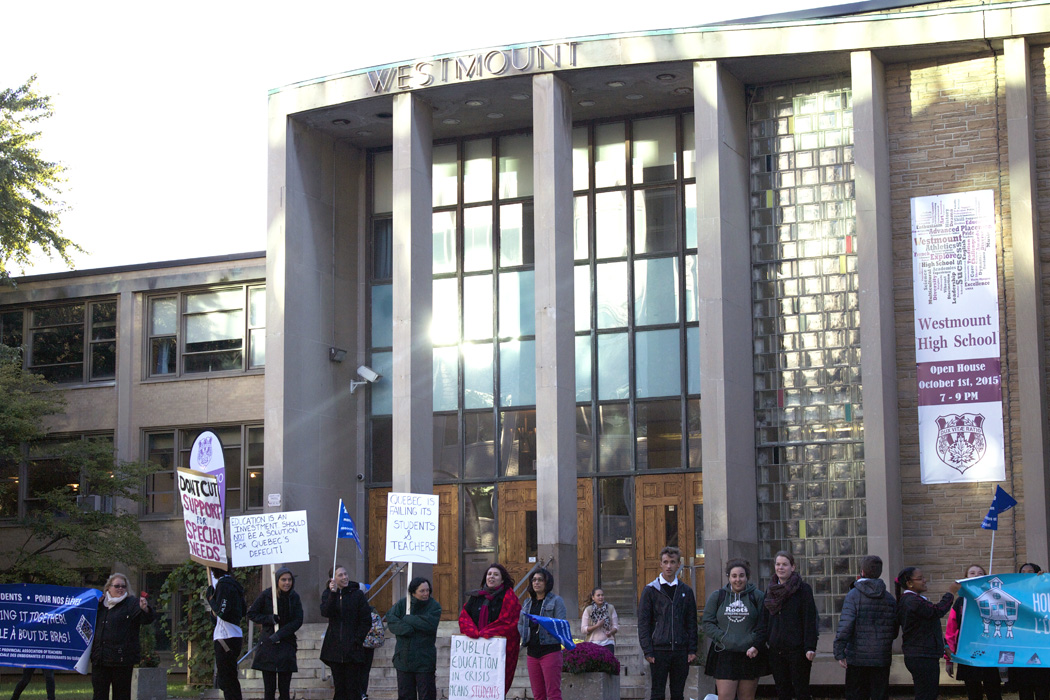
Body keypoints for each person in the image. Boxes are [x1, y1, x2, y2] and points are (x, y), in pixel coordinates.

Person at [833, 554, 899, 700]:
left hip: (857, 657)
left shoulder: (854, 595)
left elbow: (846, 625)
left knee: (856, 694)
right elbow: (894, 631)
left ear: (862, 571)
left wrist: (839, 651)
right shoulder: (889, 598)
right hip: (881, 658)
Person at [701, 558, 766, 700]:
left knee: (747, 697)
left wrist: (751, 640)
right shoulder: (718, 596)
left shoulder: (758, 596)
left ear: (747, 577)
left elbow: (764, 624)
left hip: (750, 653)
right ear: (728, 577)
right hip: (724, 653)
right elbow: (707, 623)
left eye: (741, 576)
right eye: (734, 576)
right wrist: (724, 638)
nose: (738, 580)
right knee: (724, 696)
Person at [639, 546, 698, 700]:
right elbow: (644, 623)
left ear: (678, 564)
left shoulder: (686, 591)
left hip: (680, 650)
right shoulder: (650, 591)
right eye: (665, 562)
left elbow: (691, 621)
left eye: (672, 562)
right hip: (659, 649)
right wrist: (647, 650)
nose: (669, 566)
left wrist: (692, 649)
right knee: (657, 692)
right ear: (660, 564)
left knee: (678, 693)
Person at [895, 566, 959, 700]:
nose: (924, 581)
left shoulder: (915, 600)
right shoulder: (911, 601)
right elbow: (936, 611)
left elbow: (931, 625)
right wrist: (950, 593)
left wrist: (945, 646)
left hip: (924, 654)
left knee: (928, 693)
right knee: (926, 694)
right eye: (920, 578)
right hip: (921, 655)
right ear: (909, 583)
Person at [459, 563, 522, 695]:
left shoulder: (509, 598)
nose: (491, 577)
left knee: (495, 688)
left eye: (495, 574)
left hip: (498, 652)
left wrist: (487, 632)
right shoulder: (476, 597)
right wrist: (474, 632)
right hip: (477, 652)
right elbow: (464, 617)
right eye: (489, 574)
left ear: (502, 579)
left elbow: (510, 623)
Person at [91, 573, 156, 700]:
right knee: (99, 694)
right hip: (100, 659)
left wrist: (145, 609)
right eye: (117, 586)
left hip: (122, 660)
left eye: (123, 586)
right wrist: (96, 605)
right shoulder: (100, 605)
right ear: (108, 588)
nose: (120, 589)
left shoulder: (131, 603)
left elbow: (146, 619)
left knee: (121, 695)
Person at [765, 551, 819, 700]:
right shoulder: (770, 590)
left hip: (798, 651)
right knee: (783, 691)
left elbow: (810, 619)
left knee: (801, 691)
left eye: (784, 564)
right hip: (776, 651)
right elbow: (765, 620)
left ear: (793, 567)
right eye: (777, 564)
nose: (780, 568)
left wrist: (810, 647)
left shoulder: (803, 589)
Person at [945, 564, 1001, 700]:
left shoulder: (995, 599)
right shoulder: (960, 602)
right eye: (972, 573)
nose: (976, 575)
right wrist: (949, 659)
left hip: (989, 653)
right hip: (967, 653)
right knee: (973, 692)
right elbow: (951, 630)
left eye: (980, 573)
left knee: (994, 691)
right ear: (966, 578)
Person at [248, 566, 304, 700]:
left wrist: (280, 634)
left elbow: (298, 620)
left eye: (289, 580)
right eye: (283, 580)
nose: (287, 583)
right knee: (269, 689)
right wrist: (269, 619)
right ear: (277, 580)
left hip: (286, 644)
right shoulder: (267, 595)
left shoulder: (294, 597)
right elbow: (252, 613)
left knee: (284, 689)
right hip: (268, 645)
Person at [319, 564, 371, 700]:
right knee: (340, 688)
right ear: (333, 579)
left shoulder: (357, 594)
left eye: (345, 574)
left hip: (352, 650)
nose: (345, 577)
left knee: (353, 688)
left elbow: (366, 620)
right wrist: (333, 594)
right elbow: (326, 612)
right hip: (334, 650)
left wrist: (357, 641)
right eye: (340, 575)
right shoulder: (328, 594)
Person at [385, 577, 441, 700]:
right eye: (422, 591)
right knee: (405, 695)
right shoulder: (403, 604)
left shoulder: (434, 606)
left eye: (427, 590)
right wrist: (407, 629)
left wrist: (408, 619)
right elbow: (391, 619)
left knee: (427, 695)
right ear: (413, 592)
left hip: (425, 660)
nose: (426, 593)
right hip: (404, 659)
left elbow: (429, 624)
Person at [517, 568, 569, 700]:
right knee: (538, 695)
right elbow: (521, 624)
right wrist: (524, 638)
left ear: (547, 583)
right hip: (532, 653)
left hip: (550, 651)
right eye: (534, 580)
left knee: (553, 693)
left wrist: (544, 622)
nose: (536, 583)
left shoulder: (556, 601)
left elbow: (559, 624)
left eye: (540, 580)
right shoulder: (527, 603)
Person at [1010, 563, 1049, 700]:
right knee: (1024, 689)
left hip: (1042, 648)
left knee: (1042, 688)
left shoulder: (1045, 591)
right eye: (1023, 572)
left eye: (1030, 571)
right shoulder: (1013, 592)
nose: (1026, 574)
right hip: (1021, 649)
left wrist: (1044, 579)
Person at [208, 569, 247, 700]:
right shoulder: (235, 586)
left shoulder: (224, 585)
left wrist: (211, 601)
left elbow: (222, 612)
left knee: (227, 680)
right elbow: (242, 610)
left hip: (226, 637)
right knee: (229, 678)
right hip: (233, 635)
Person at [581, 587, 619, 655]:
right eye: (598, 595)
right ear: (593, 597)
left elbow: (616, 626)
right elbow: (583, 629)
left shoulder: (610, 608)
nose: (601, 597)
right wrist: (597, 626)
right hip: (593, 643)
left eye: (602, 595)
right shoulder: (588, 610)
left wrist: (610, 632)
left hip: (608, 642)